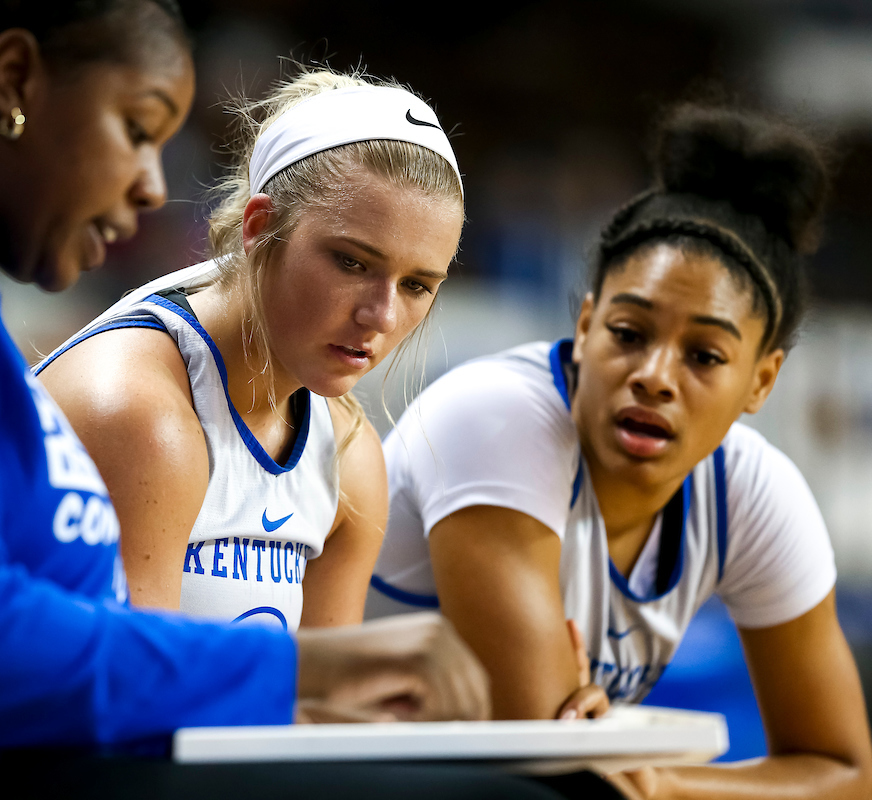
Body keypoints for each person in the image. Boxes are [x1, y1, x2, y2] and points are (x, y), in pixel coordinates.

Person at [0, 2, 518, 799]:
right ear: (15, 81)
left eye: (419, 284)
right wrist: (310, 672)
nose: (155, 187)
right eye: (136, 129)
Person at [369, 103, 872, 797]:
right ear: (585, 325)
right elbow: (546, 754)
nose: (654, 377)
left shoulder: (753, 491)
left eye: (703, 354)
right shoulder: (497, 416)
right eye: (629, 333)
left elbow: (845, 770)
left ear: (762, 381)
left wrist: (662, 785)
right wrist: (626, 765)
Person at [34, 69, 463, 632]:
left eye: (416, 286)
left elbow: (325, 711)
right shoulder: (139, 409)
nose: (380, 316)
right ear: (259, 228)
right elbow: (128, 699)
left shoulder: (349, 457)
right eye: (352, 263)